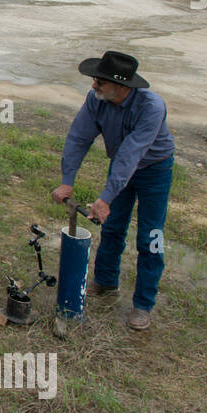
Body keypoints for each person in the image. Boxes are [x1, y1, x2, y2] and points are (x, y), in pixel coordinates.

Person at [52, 51, 176, 330]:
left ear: (122, 87)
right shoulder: (96, 100)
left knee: (151, 237)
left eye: (100, 81)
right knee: (111, 227)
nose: (94, 85)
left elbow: (131, 154)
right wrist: (67, 180)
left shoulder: (152, 107)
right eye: (95, 79)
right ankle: (106, 281)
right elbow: (78, 137)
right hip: (122, 167)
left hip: (154, 171)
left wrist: (106, 197)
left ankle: (143, 304)